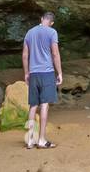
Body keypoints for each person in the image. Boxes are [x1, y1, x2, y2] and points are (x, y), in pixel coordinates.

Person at [22, 11, 62, 150]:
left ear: (41, 19)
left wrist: (27, 73)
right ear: (51, 23)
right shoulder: (52, 32)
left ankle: (30, 140)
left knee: (33, 105)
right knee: (44, 104)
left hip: (33, 72)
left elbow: (25, 55)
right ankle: (42, 140)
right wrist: (60, 73)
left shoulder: (29, 33)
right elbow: (55, 54)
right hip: (46, 72)